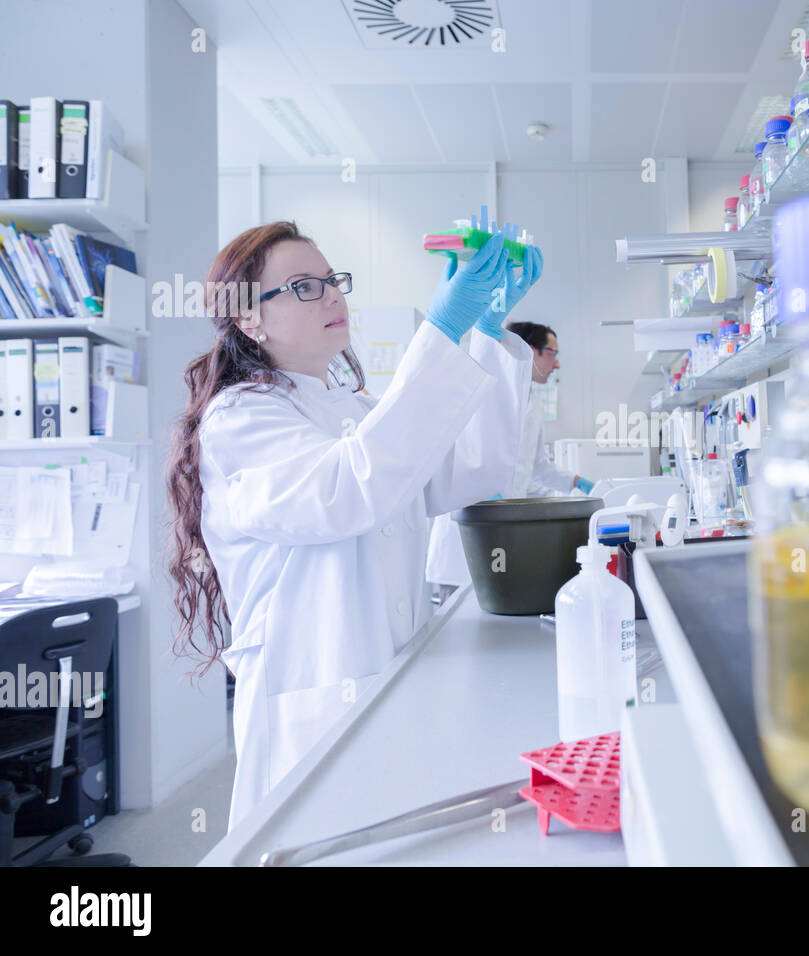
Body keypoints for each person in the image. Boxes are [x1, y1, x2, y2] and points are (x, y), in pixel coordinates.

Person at [165, 219, 542, 831]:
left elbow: (474, 468)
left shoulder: (352, 407)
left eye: (332, 279)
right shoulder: (239, 420)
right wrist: (441, 333)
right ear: (247, 318)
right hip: (314, 696)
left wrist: (487, 333)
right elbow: (349, 489)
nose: (333, 295)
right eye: (303, 287)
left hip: (386, 686)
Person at [425, 321, 594, 600]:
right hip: (465, 532)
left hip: (502, 530)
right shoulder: (482, 389)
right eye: (552, 353)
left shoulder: (533, 404)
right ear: (530, 351)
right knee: (456, 626)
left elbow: (535, 466)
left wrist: (578, 484)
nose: (557, 364)